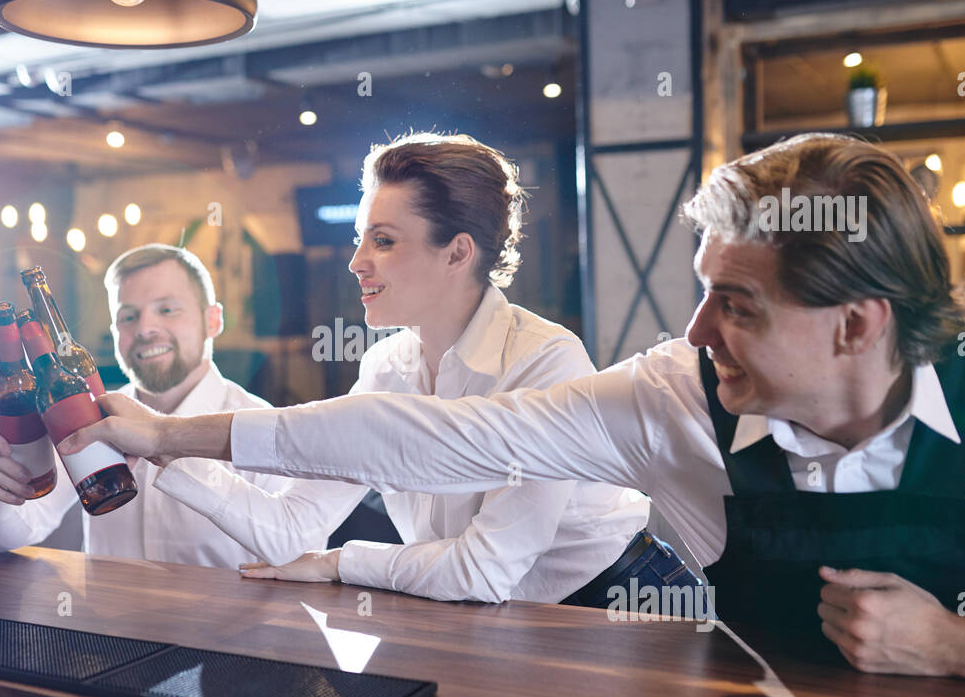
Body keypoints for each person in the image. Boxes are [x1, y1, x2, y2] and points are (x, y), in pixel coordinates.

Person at [56, 133, 965, 681]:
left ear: (855, 328)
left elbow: (484, 562)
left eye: (739, 305)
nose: (694, 333)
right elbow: (437, 439)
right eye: (701, 291)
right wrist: (165, 438)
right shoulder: (672, 397)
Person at [40, 132, 655, 603]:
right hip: (476, 612)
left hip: (611, 604)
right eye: (361, 239)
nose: (356, 261)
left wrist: (340, 563)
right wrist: (159, 448)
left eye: (383, 241)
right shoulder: (387, 367)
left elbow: (483, 569)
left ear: (457, 253)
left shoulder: (546, 361)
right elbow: (289, 529)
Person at [0, 244, 332, 566]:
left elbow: (299, 558)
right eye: (128, 316)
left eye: (168, 309)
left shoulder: (263, 428)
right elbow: (11, 534)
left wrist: (164, 441)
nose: (145, 329)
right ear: (114, 333)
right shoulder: (83, 418)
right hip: (106, 642)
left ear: (212, 319)